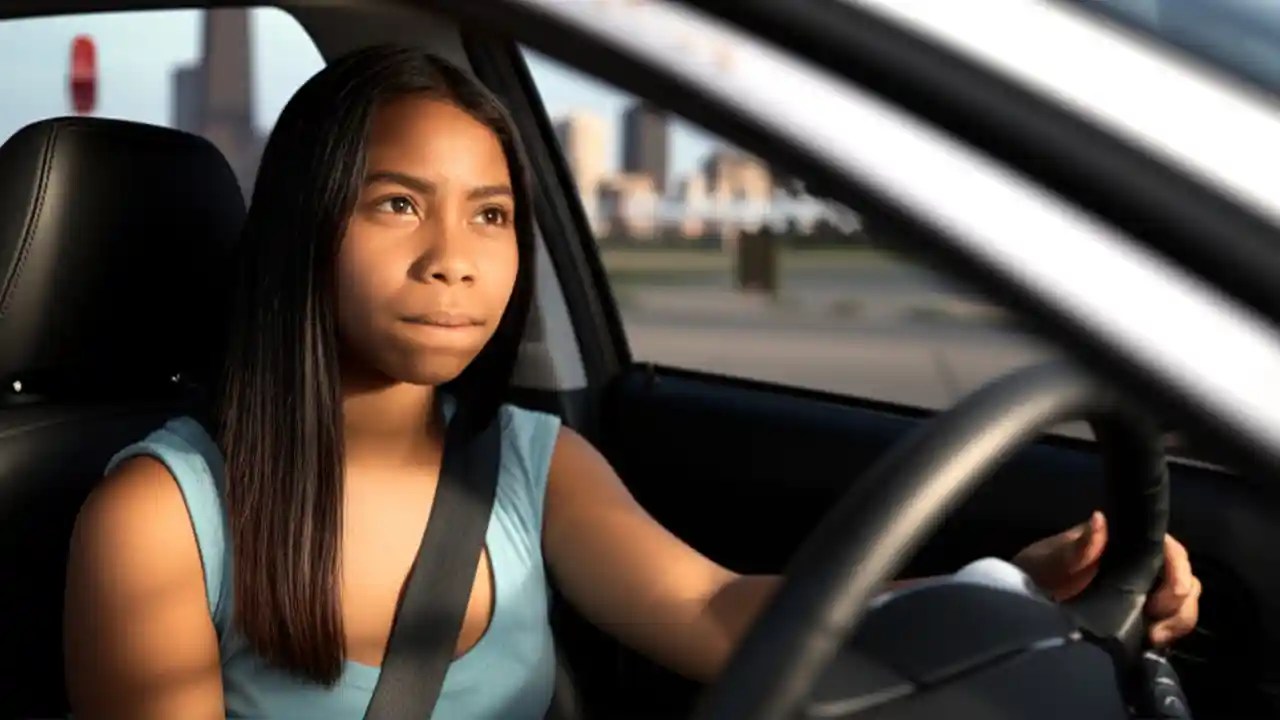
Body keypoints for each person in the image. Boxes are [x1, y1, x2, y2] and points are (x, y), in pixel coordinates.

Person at [62, 45, 1201, 720]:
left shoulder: (526, 463)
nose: (455, 256)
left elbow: (719, 613)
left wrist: (997, 588)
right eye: (396, 203)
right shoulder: (160, 518)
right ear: (304, 232)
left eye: (493, 215)